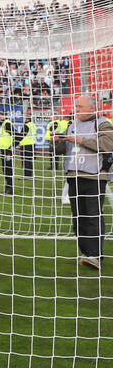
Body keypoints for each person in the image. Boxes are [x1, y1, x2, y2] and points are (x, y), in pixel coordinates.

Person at [53, 94, 113, 269]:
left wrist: (81, 140)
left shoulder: (102, 123)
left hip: (94, 177)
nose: (76, 109)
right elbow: (62, 150)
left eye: (80, 106)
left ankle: (95, 255)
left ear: (91, 108)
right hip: (73, 177)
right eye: (76, 106)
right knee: (78, 218)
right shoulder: (72, 125)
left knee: (93, 216)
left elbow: (108, 144)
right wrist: (57, 141)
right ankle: (87, 253)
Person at [0, 114, 14, 195]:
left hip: (7, 151)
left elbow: (15, 134)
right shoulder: (4, 123)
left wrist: (12, 146)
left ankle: (10, 190)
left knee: (8, 169)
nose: (0, 116)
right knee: (5, 169)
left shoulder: (7, 124)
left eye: (2, 115)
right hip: (4, 150)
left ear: (6, 115)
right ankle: (8, 189)